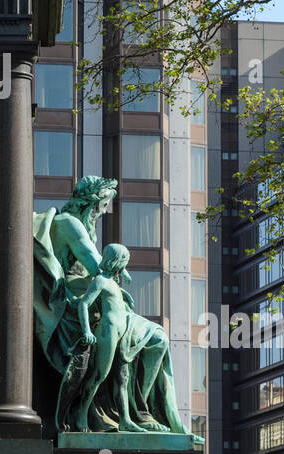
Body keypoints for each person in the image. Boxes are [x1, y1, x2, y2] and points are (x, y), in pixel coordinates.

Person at [33, 176, 185, 433]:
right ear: (92, 203)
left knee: (157, 340)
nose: (104, 211)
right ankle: (132, 414)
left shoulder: (75, 224)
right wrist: (117, 270)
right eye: (104, 205)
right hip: (77, 305)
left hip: (96, 304)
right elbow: (96, 266)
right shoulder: (70, 224)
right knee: (156, 339)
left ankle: (138, 412)